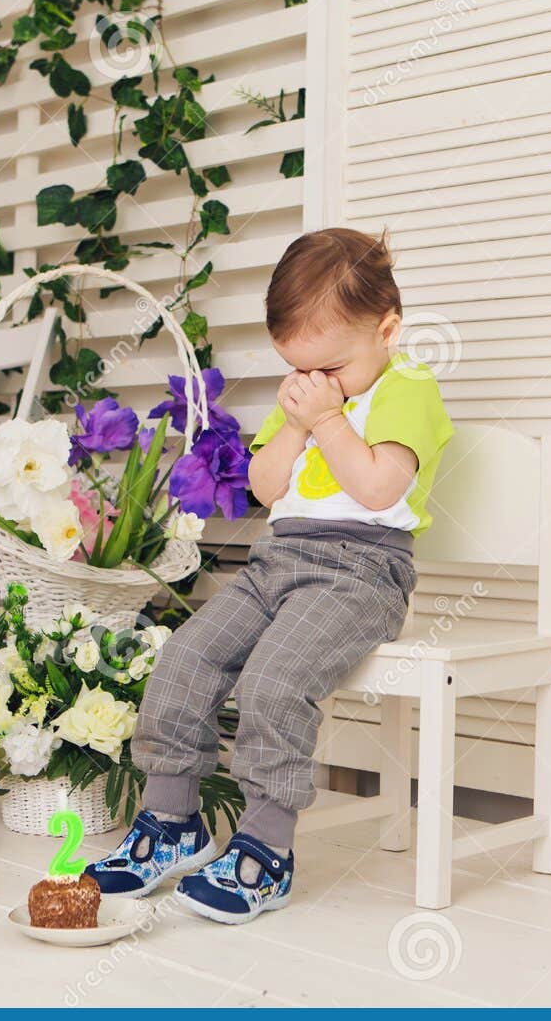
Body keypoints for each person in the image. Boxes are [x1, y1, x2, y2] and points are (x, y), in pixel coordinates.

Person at [86, 228, 453, 924]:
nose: (313, 385)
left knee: (274, 679)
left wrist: (330, 421)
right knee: (185, 657)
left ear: (388, 329)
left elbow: (379, 490)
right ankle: (172, 822)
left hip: (361, 572)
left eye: (331, 369)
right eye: (297, 369)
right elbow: (262, 485)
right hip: (276, 562)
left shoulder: (409, 388)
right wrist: (293, 428)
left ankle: (266, 849)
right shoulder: (308, 401)